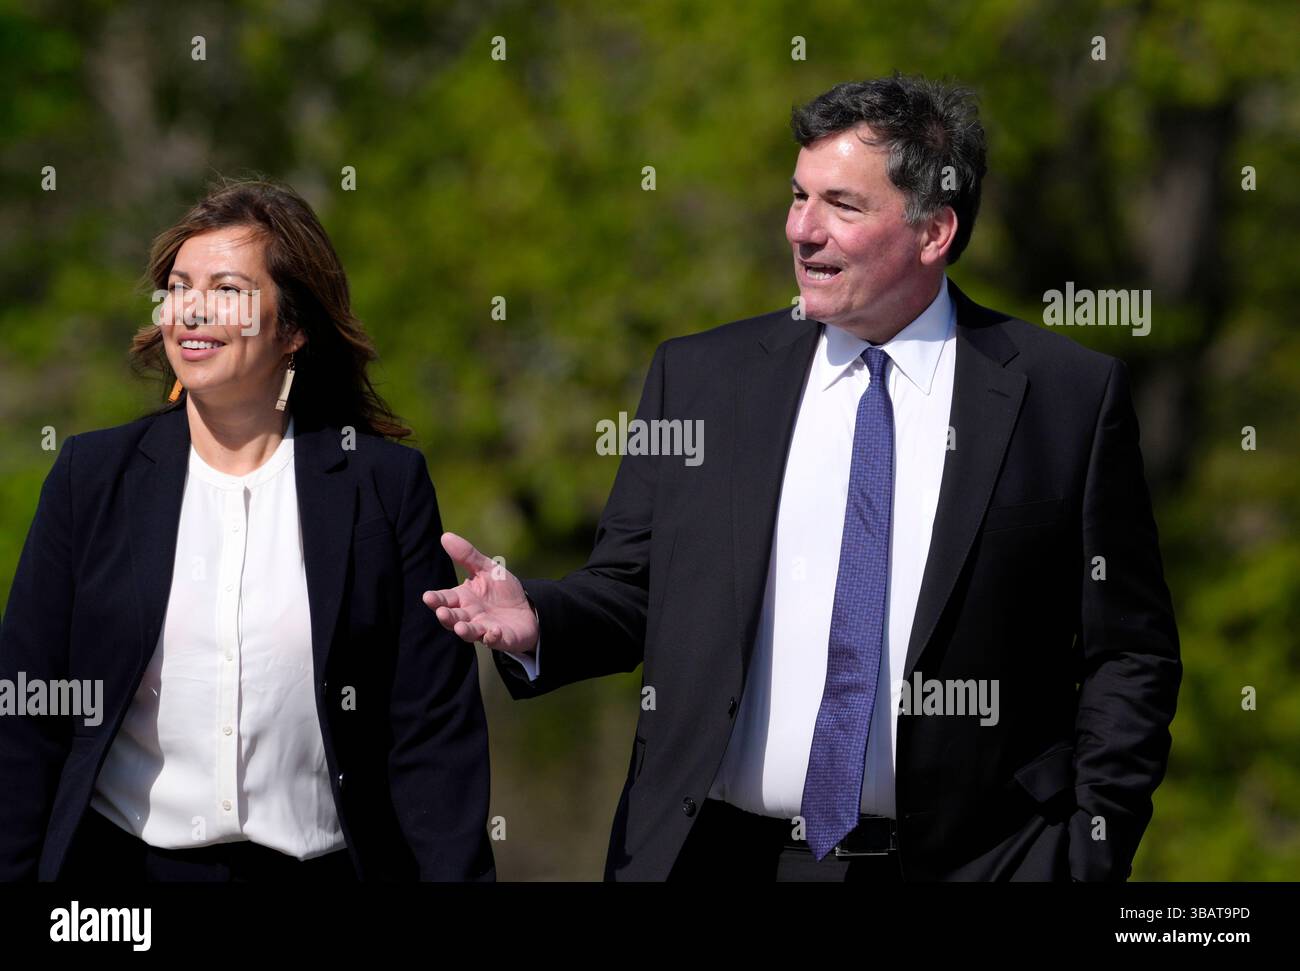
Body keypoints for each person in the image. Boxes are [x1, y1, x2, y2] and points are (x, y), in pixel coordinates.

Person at [425, 74, 1181, 882]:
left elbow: (1129, 653)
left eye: (842, 206)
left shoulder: (1065, 396)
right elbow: (632, 590)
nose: (801, 229)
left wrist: (1086, 852)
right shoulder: (701, 380)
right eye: (798, 196)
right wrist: (540, 617)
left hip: (979, 863)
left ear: (934, 231)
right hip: (715, 861)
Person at [0, 179, 494, 882]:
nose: (192, 309)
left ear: (294, 329)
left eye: (227, 289)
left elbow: (432, 735)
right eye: (179, 287)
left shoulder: (384, 487)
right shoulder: (93, 477)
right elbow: (25, 716)